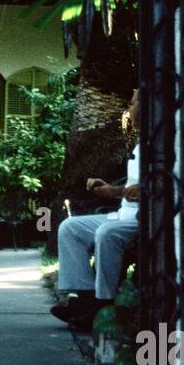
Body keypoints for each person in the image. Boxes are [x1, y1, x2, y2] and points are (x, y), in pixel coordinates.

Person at [51, 90, 141, 332]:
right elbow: (131, 188)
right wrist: (110, 189)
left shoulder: (159, 145)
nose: (129, 109)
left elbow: (151, 189)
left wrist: (114, 191)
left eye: (133, 104)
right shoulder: (139, 142)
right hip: (123, 214)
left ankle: (104, 302)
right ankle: (82, 296)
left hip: (142, 219)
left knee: (106, 233)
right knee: (70, 228)